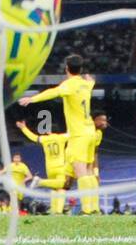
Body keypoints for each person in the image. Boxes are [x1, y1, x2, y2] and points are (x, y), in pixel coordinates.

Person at [20, 54, 98, 214]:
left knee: (80, 170)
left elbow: (53, 92)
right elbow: (91, 82)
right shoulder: (86, 85)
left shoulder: (70, 84)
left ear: (66, 69)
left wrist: (32, 99)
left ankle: (87, 210)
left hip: (78, 134)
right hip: (91, 131)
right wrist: (91, 80)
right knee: (89, 171)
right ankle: (94, 207)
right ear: (81, 69)